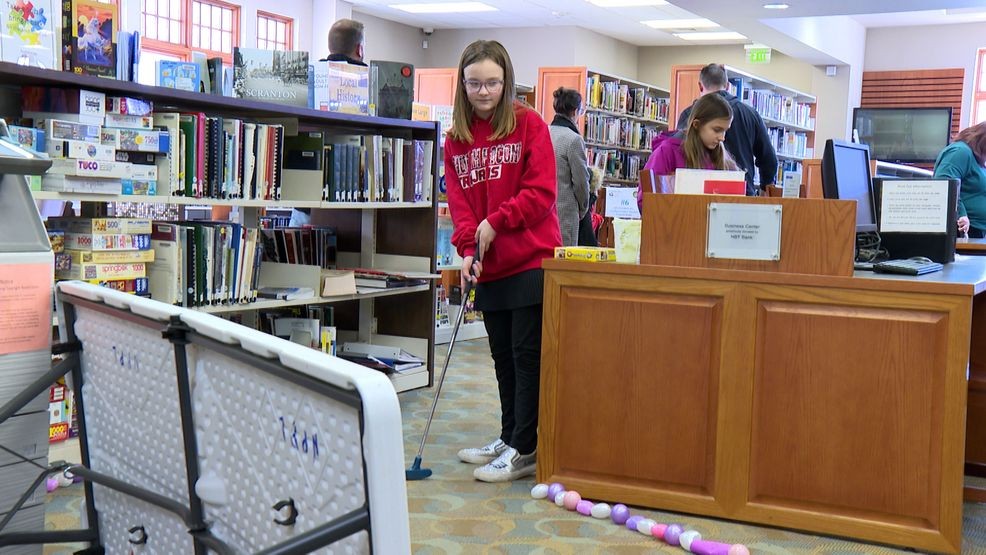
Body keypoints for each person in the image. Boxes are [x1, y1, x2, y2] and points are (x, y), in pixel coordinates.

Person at [444, 39, 561, 483]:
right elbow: (460, 206)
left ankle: (525, 448)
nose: (484, 92)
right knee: (501, 357)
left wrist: (497, 221)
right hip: (489, 264)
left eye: (493, 83)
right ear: (462, 84)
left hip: (531, 259)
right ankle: (510, 434)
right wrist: (467, 249)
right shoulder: (455, 140)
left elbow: (541, 193)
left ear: (506, 81)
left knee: (525, 356)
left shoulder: (530, 124)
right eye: (475, 83)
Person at [675, 64, 777, 196]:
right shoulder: (750, 114)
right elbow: (769, 159)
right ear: (728, 86)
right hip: (742, 192)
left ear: (700, 86)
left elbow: (680, 153)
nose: (721, 137)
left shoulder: (690, 114)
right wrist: (764, 190)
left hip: (698, 194)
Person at [637, 92, 737, 213]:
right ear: (696, 124)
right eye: (717, 130)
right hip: (673, 222)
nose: (722, 138)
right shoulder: (667, 151)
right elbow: (647, 199)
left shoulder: (723, 158)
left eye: (725, 131)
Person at [548, 87, 590, 246]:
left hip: (543, 213)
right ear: (574, 111)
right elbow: (581, 182)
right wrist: (583, 209)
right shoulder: (574, 140)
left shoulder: (543, 132)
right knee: (565, 257)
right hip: (565, 214)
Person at [934, 121, 986, 237]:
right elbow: (945, 183)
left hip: (978, 231)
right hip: (965, 231)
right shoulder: (961, 151)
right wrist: (961, 214)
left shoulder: (978, 158)